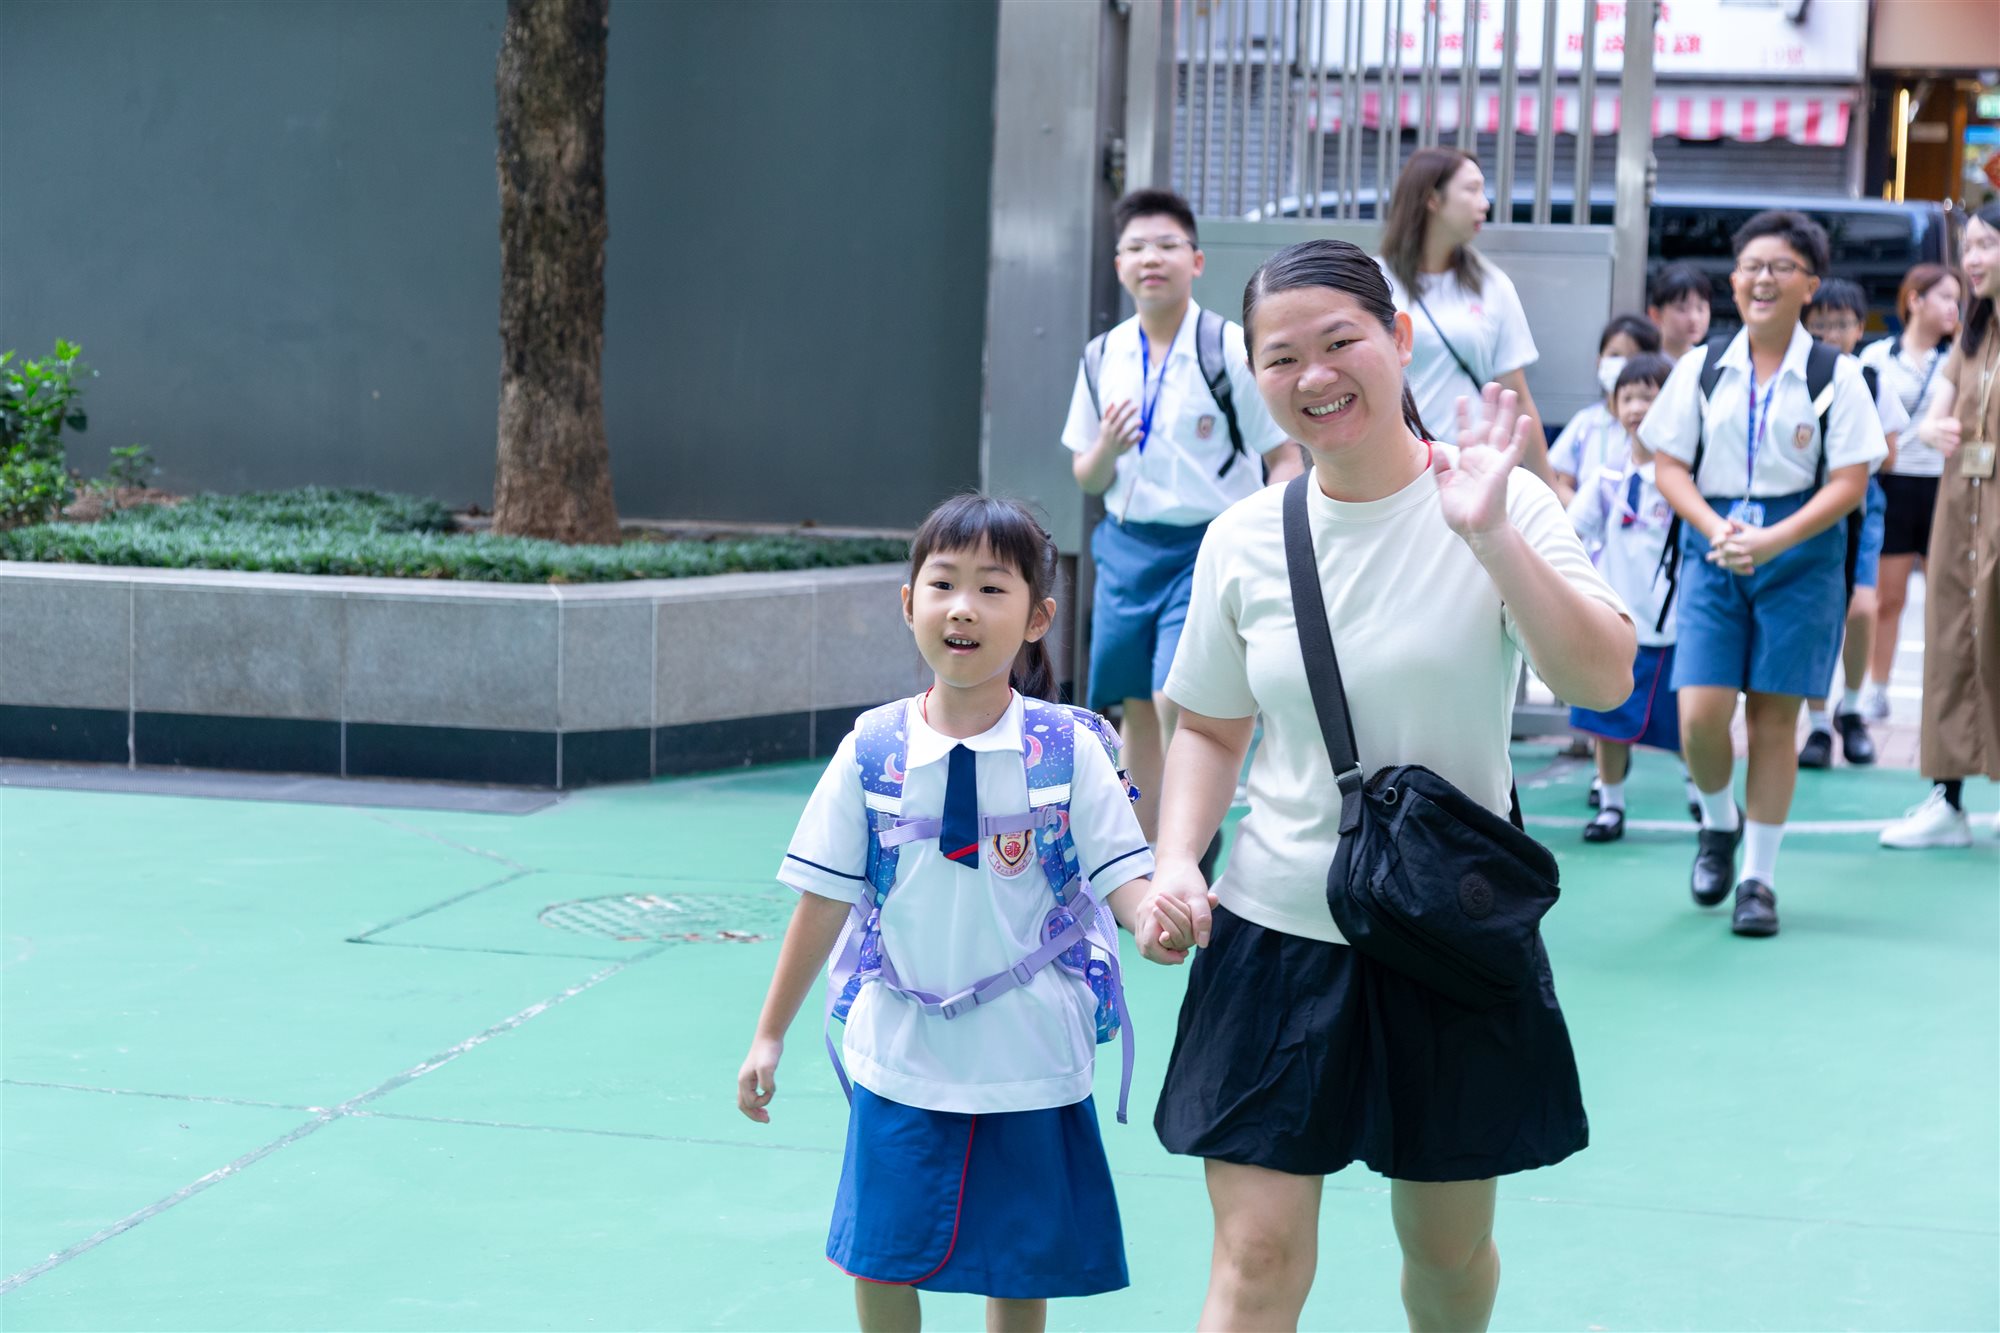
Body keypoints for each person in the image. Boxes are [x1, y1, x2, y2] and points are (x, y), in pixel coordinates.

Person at [1141, 238, 1634, 1332]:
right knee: (1256, 1256)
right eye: (1280, 358)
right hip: (1275, 929)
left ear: (1399, 339)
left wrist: (1491, 536)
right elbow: (1210, 728)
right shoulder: (1243, 538)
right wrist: (1175, 857)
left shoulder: (1503, 502)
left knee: (1444, 1255)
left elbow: (1600, 677)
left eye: (1339, 342)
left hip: (1446, 930)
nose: (1313, 377)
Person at [736, 494, 1181, 1332]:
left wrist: (1157, 922)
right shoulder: (871, 750)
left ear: (1038, 618)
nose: (963, 608)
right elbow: (823, 900)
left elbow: (1127, 882)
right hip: (900, 1052)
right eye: (942, 584)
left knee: (1019, 1263)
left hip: (1029, 1055)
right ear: (909, 604)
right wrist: (770, 1033)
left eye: (992, 587)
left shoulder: (1071, 749)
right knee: (878, 1254)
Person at [1642, 211, 1887, 937]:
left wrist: (1776, 539)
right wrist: (1715, 527)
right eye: (1751, 266)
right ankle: (1719, 823)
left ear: (1810, 284)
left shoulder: (1837, 374)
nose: (1762, 279)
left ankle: (1758, 879)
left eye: (1781, 267)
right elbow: (1667, 465)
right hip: (1716, 548)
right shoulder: (1702, 366)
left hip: (1801, 555)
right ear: (1734, 280)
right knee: (1699, 715)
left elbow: (1850, 482)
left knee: (1775, 722)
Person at [1063, 188, 1301, 846]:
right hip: (1125, 548)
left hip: (1207, 546)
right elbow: (1087, 475)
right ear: (1119, 265)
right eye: (1136, 247)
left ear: (1195, 260)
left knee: (1177, 696)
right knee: (1136, 707)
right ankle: (1148, 849)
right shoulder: (1101, 355)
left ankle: (1192, 843)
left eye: (1167, 245)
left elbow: (1284, 455)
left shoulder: (1229, 348)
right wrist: (1106, 449)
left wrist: (1266, 531)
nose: (1151, 258)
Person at [1881, 201, 2000, 849]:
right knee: (1953, 641)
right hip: (1961, 508)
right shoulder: (1972, 337)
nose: (1973, 259)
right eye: (1969, 246)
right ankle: (1947, 801)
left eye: (1987, 245)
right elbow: (1933, 416)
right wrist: (1933, 429)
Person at [1377, 147, 1553, 481]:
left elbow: (1516, 396)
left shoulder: (1491, 284)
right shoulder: (1376, 281)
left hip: (1472, 471)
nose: (1484, 203)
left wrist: (1550, 487)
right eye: (1472, 189)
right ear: (1432, 199)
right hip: (1394, 473)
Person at [1568, 353, 1686, 841]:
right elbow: (1569, 534)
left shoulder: (1687, 479)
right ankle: (1611, 806)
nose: (1637, 407)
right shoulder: (1606, 479)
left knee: (1691, 726)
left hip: (1678, 626)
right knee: (1608, 722)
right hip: (1619, 625)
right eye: (1629, 397)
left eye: (1649, 397)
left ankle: (1705, 798)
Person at [1798, 277, 1908, 769]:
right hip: (1807, 506)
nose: (1830, 334)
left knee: (1862, 608)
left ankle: (1853, 709)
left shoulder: (1871, 380)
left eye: (1841, 324)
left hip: (1862, 506)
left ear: (1860, 328)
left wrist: (1850, 452)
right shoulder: (1797, 377)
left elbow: (1890, 454)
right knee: (1817, 614)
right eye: (1819, 326)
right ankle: (1819, 724)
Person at [1859, 263, 1962, 722]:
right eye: (1945, 297)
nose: (1954, 307)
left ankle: (1946, 697)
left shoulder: (1960, 357)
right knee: (1889, 598)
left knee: (1949, 601)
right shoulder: (1877, 358)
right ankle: (1876, 689)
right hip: (1894, 486)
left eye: (1957, 299)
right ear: (1915, 299)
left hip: (1947, 485)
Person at [1550, 312, 1663, 507]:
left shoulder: (1664, 425)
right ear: (1599, 360)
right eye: (1615, 355)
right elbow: (1558, 482)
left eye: (1634, 357)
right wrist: (1588, 514)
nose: (1623, 364)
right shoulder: (1586, 422)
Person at [1648, 262, 1715, 362]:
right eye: (1681, 309)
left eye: (1700, 309)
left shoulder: (1710, 362)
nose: (1694, 318)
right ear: (1656, 315)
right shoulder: (1642, 364)